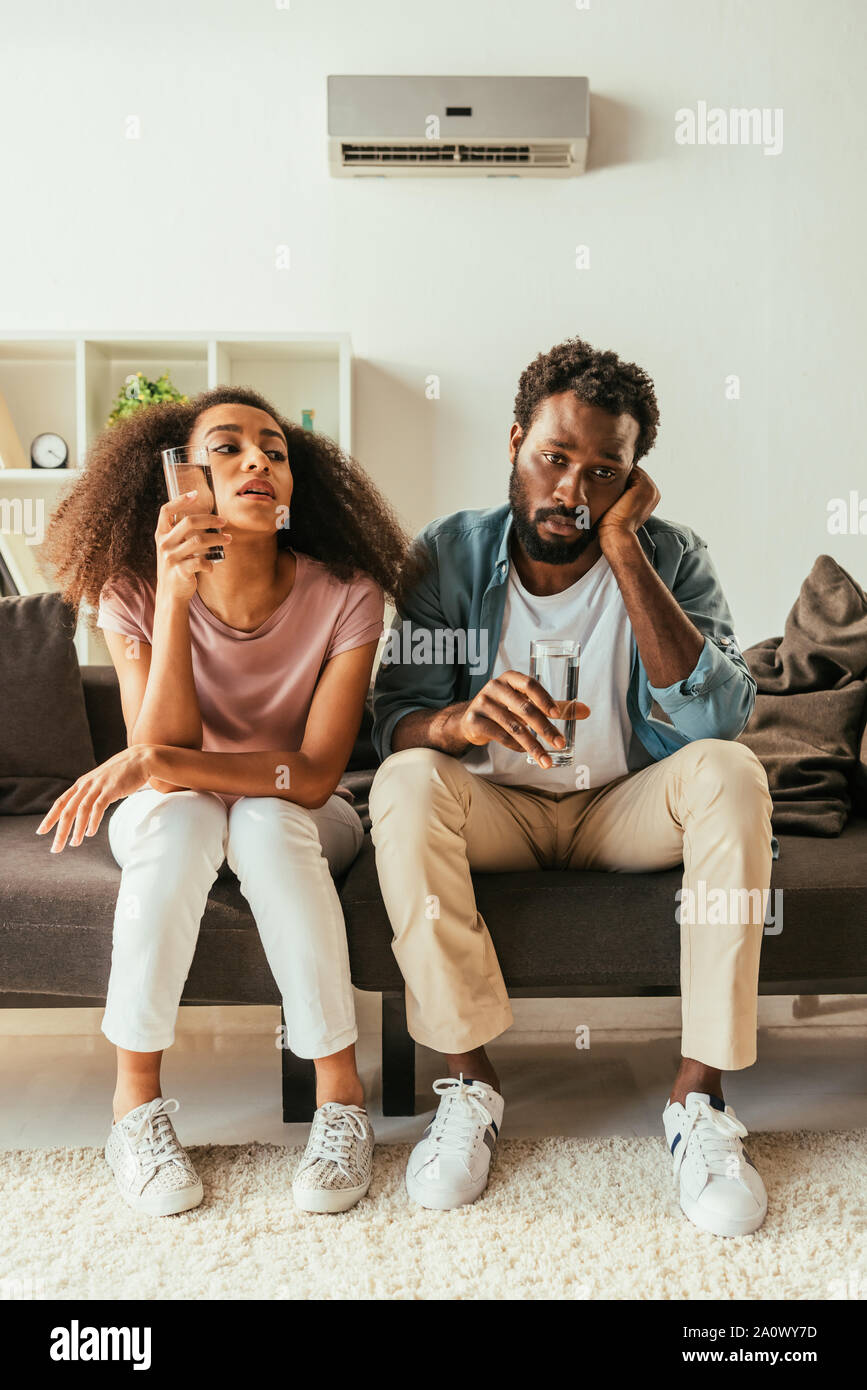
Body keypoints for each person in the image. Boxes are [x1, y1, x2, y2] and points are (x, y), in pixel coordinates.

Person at [369, 337, 774, 1237]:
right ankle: (469, 1085)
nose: (571, 491)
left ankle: (699, 1102)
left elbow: (717, 722)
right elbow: (390, 716)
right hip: (497, 807)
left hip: (619, 808)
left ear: (633, 479)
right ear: (514, 440)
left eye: (604, 471)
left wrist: (625, 550)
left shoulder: (672, 555)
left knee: (732, 773)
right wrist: (457, 722)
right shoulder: (448, 553)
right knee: (403, 782)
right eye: (554, 458)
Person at [37, 386, 412, 1218]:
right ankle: (134, 1107)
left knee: (269, 823)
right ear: (179, 480)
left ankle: (338, 1101)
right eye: (229, 448)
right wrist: (173, 596)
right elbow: (163, 754)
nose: (258, 462)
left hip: (297, 808)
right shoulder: (128, 587)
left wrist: (162, 764)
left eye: (275, 451)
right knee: (183, 822)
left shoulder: (346, 593)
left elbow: (314, 774)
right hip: (177, 808)